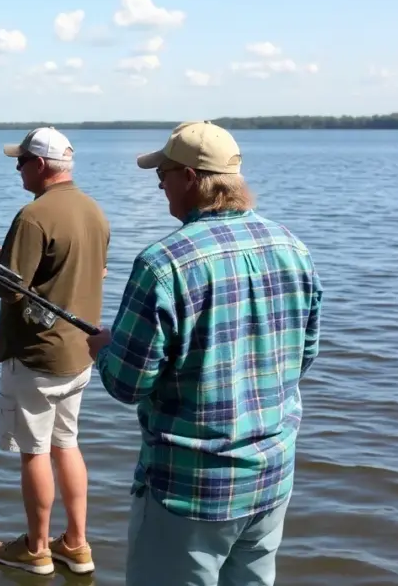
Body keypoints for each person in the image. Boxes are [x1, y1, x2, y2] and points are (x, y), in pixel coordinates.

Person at [86, 121, 323, 586]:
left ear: (192, 178)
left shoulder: (162, 263)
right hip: (272, 480)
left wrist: (105, 349)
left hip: (189, 493)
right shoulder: (293, 247)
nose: (159, 183)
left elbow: (127, 384)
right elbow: (303, 357)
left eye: (165, 173)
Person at [0, 127, 110, 576]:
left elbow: (11, 291)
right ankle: (76, 543)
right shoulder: (94, 211)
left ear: (42, 165)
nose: (17, 168)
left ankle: (35, 549)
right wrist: (5, 260)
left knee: (35, 452)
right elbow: (90, 271)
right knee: (67, 444)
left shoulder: (33, 217)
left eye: (22, 160)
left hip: (36, 359)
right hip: (79, 356)